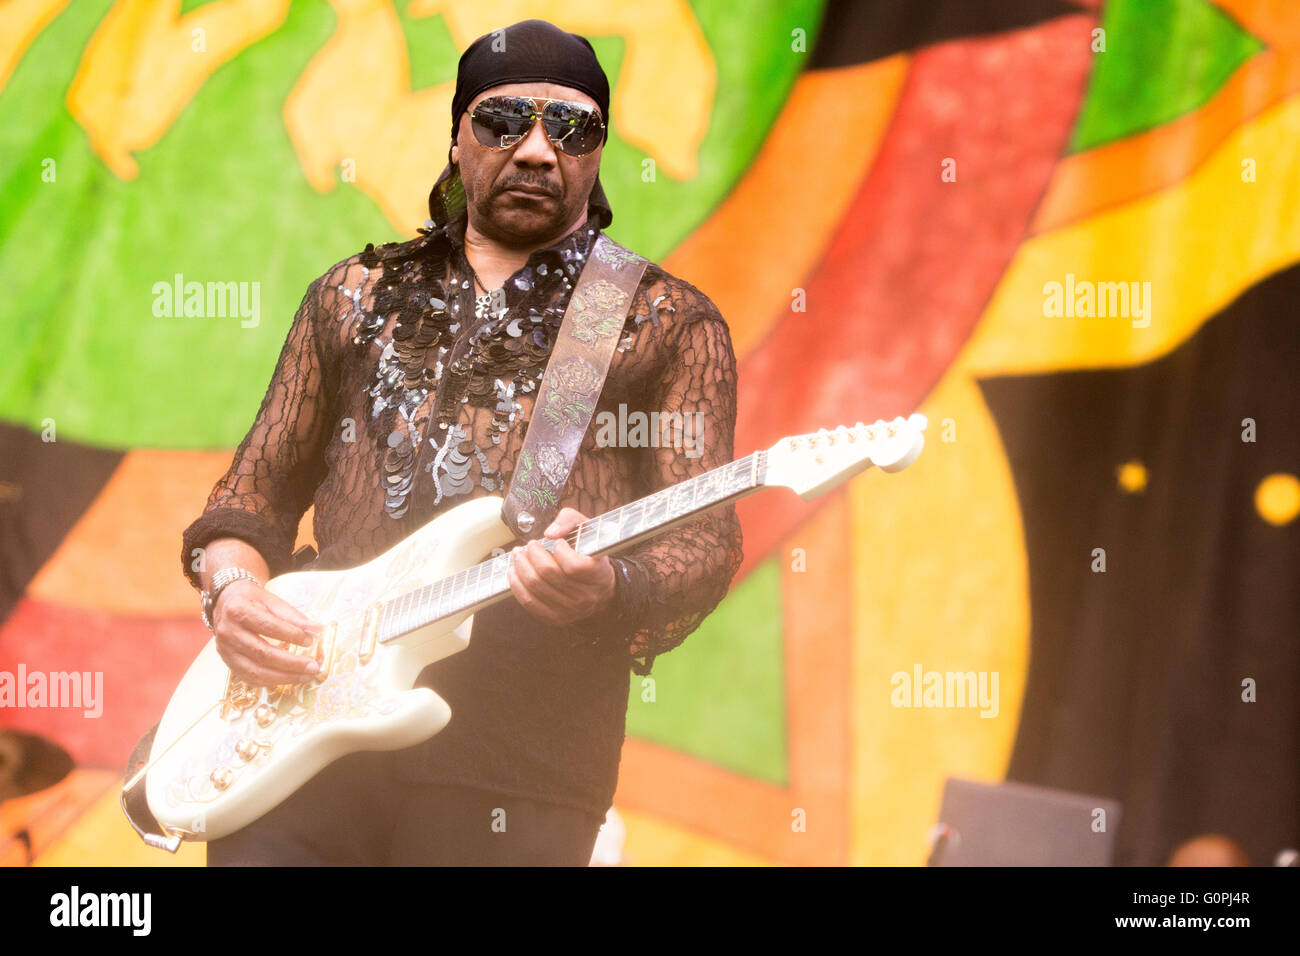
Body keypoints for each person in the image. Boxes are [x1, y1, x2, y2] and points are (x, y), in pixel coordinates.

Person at [181, 18, 742, 865]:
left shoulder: (658, 322)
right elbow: (248, 503)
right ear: (455, 137)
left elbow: (707, 537)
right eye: (504, 119)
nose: (537, 151)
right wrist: (229, 592)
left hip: (516, 762)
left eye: (573, 128)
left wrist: (610, 585)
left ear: (596, 154)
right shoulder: (354, 294)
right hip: (301, 735)